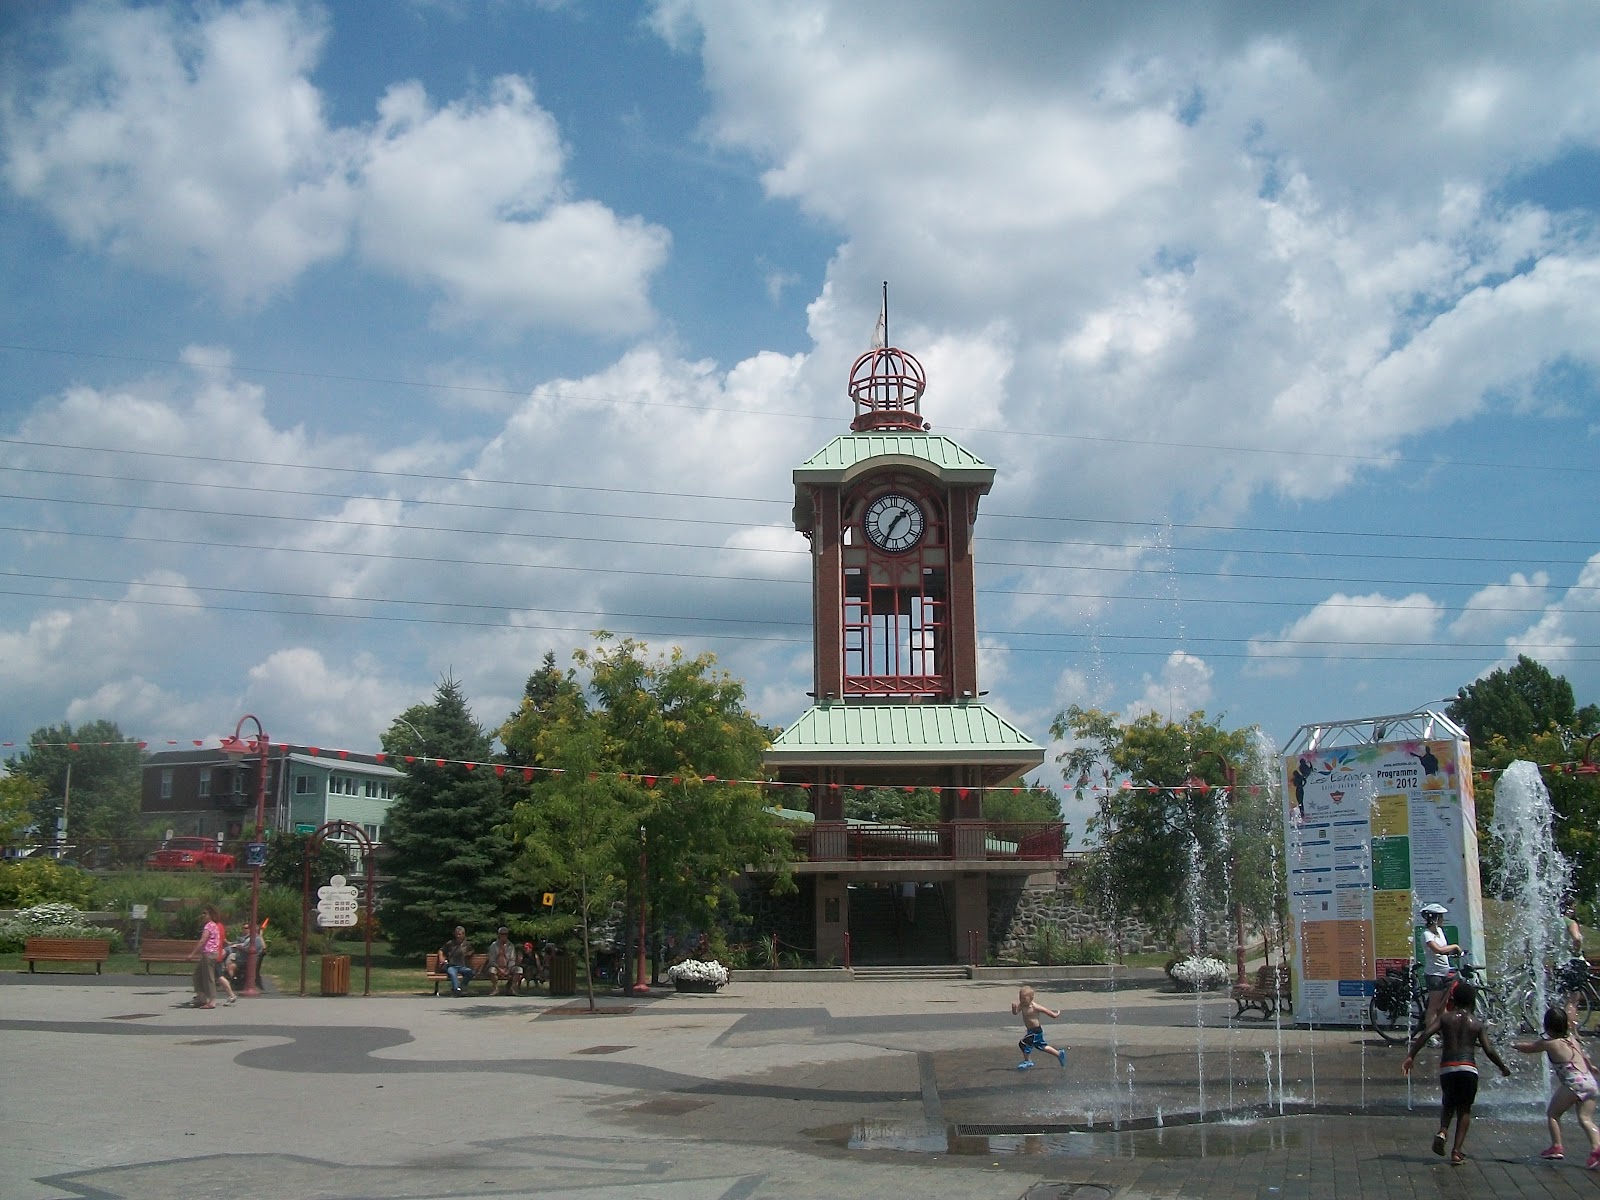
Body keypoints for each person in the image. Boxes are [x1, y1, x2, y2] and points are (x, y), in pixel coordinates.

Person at [1402, 981, 1511, 1165]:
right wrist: (1502, 1067)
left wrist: (1411, 1055)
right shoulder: (1476, 1023)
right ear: (1473, 1001)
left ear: (1454, 1000)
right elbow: (1489, 1050)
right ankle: (1457, 1151)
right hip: (1468, 1068)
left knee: (1448, 1102)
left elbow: (1426, 1034)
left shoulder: (1445, 1019)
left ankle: (1443, 1130)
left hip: (1448, 1068)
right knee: (1464, 1110)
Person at [1512, 1007, 1600, 1168]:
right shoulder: (1572, 1039)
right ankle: (1596, 1149)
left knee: (1553, 1114)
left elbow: (1530, 1048)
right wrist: (1592, 1067)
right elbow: (1584, 1056)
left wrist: (1514, 1045)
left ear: (1547, 1026)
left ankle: (1557, 1146)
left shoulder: (1550, 1043)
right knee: (1586, 1119)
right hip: (1590, 1081)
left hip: (1574, 1083)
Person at [1419, 903, 1461, 1030]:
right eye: (1441, 916)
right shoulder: (1427, 934)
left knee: (1444, 1006)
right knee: (1434, 1006)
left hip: (1445, 971)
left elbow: (1444, 950)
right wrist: (1454, 946)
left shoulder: (1440, 931)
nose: (1443, 919)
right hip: (1434, 974)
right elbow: (1438, 949)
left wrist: (1454, 953)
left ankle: (1445, 1033)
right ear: (1434, 918)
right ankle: (1429, 1034)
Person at [1010, 985, 1068, 1070]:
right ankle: (1059, 1054)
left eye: (1024, 998)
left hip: (1036, 1031)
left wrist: (1054, 1015)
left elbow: (1046, 1011)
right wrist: (1014, 1009)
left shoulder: (1034, 1006)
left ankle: (1028, 1061)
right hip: (1030, 1031)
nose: (1021, 1000)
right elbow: (1015, 1013)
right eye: (1020, 998)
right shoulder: (1022, 1005)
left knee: (1023, 1043)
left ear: (1031, 998)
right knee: (1042, 1047)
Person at [188, 905, 225, 1009]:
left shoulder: (209, 926)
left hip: (209, 953)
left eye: (205, 913)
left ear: (211, 915)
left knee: (209, 977)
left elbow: (203, 940)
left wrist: (192, 954)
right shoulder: (213, 926)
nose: (203, 915)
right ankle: (201, 997)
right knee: (197, 975)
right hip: (209, 953)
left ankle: (212, 1001)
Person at [484, 927, 523, 996]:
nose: (504, 936)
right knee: (491, 970)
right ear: (499, 935)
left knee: (519, 970)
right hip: (497, 967)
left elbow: (512, 959)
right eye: (502, 934)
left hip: (509, 967)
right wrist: (499, 969)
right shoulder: (493, 945)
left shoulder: (510, 945)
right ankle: (495, 989)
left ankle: (512, 989)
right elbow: (492, 960)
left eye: (506, 934)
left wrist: (508, 969)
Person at [438, 926, 475, 996]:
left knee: (471, 972)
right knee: (452, 973)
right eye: (457, 934)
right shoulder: (450, 943)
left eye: (460, 934)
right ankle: (456, 990)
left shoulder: (467, 944)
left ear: (463, 935)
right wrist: (441, 957)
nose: (458, 936)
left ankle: (461, 986)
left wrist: (469, 953)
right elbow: (441, 950)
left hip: (462, 966)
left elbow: (472, 951)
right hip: (452, 965)